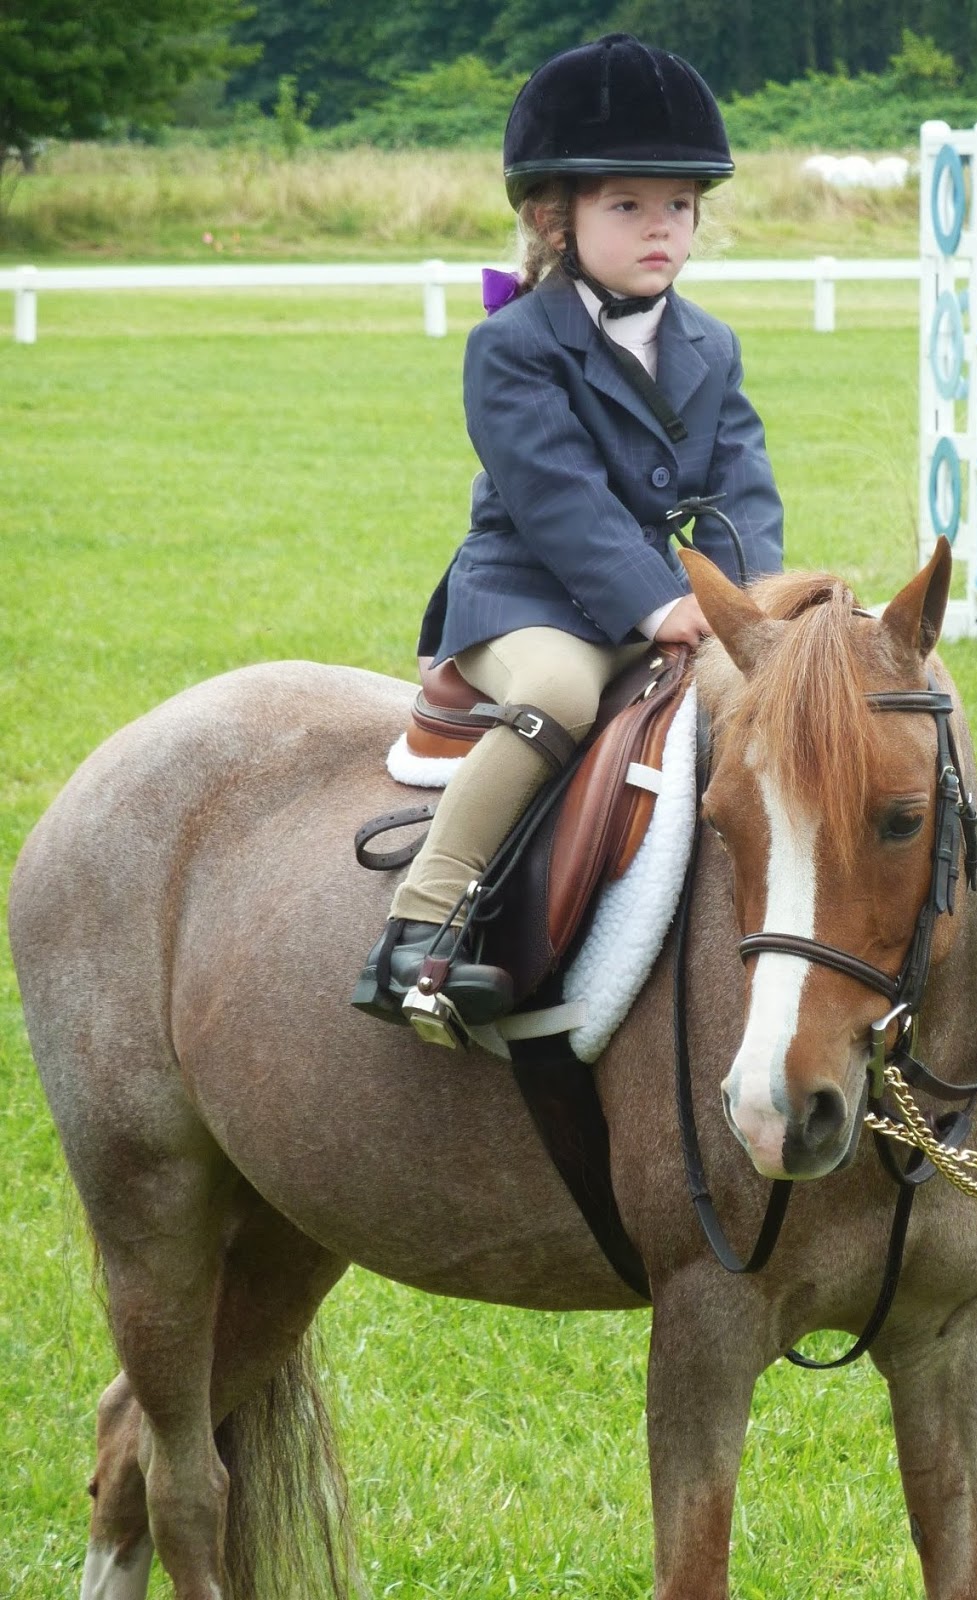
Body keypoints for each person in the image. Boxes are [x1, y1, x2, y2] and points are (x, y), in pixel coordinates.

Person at [353, 32, 783, 1035]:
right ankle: (420, 921)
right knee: (558, 695)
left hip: (668, 602)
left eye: (677, 205)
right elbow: (557, 498)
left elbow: (742, 489)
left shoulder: (711, 344)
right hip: (528, 596)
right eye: (626, 205)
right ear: (556, 218)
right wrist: (659, 602)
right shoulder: (511, 345)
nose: (659, 227)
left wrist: (745, 609)